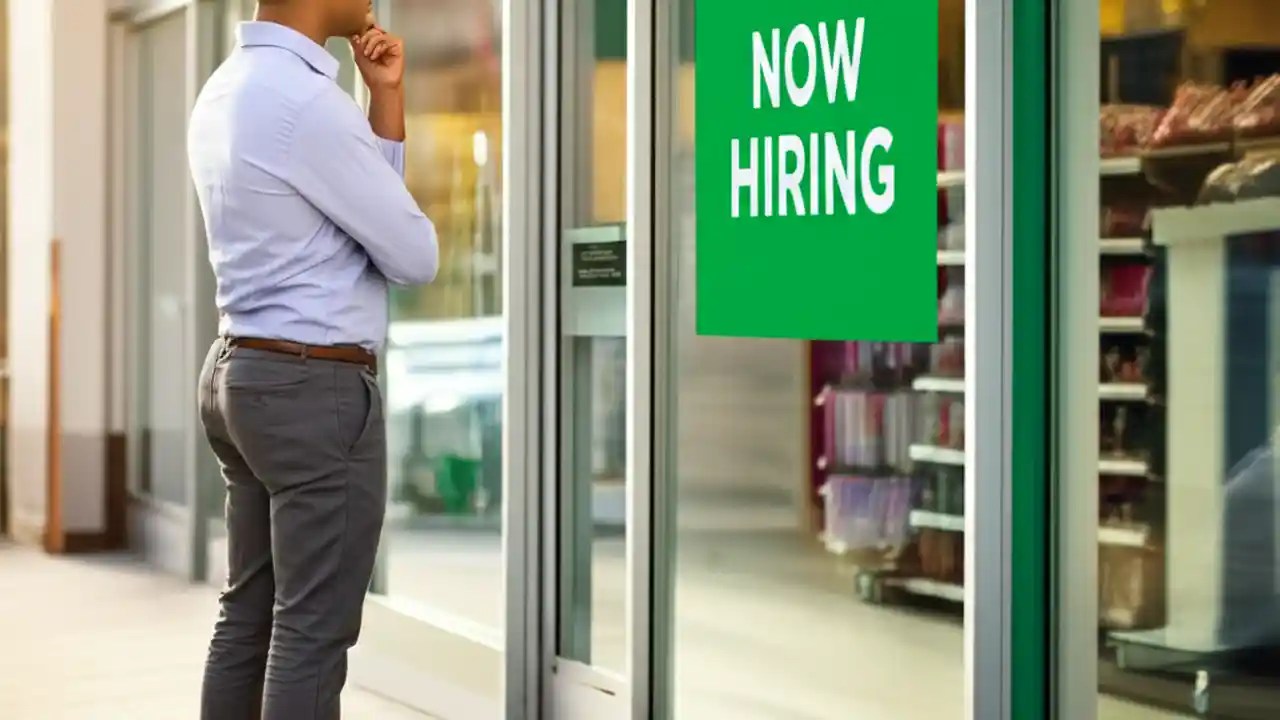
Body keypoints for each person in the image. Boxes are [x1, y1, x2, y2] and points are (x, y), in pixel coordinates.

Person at [187, 1, 438, 717]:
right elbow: (412, 254)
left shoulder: (227, 87)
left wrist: (384, 99)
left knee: (248, 616)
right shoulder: (306, 103)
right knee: (311, 633)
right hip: (311, 390)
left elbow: (361, 218)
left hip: (243, 372)